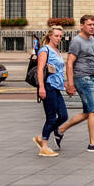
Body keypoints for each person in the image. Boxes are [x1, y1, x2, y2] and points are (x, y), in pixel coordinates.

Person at [57, 15, 94, 152]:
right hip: (83, 78)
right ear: (82, 26)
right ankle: (93, 143)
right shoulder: (76, 41)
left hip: (92, 78)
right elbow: (69, 63)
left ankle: (60, 130)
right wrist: (70, 83)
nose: (92, 27)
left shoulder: (92, 39)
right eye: (89, 25)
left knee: (88, 112)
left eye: (93, 24)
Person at [33, 25, 67, 157]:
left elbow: (58, 70)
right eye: (56, 36)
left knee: (63, 115)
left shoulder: (57, 51)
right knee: (51, 117)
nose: (59, 38)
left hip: (57, 87)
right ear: (50, 36)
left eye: (60, 36)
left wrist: (64, 83)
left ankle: (41, 137)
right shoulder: (44, 50)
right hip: (48, 86)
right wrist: (41, 87)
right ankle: (44, 147)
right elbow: (40, 70)